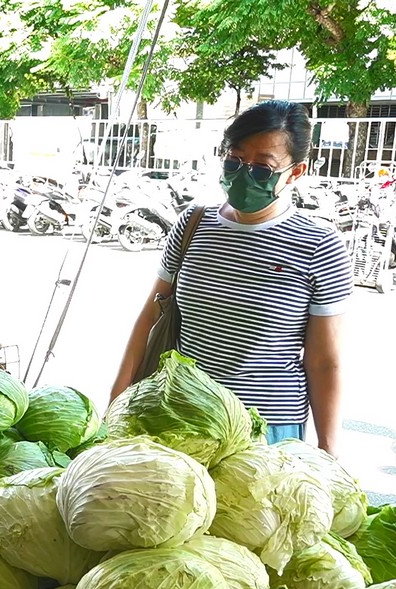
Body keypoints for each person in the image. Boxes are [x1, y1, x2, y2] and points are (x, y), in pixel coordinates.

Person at [110, 100, 353, 455]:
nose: (243, 174)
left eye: (261, 168)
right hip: (181, 417)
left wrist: (328, 450)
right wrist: (118, 396)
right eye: (234, 159)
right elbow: (151, 315)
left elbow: (323, 361)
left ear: (295, 172)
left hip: (265, 433)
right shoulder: (194, 223)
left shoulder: (319, 245)